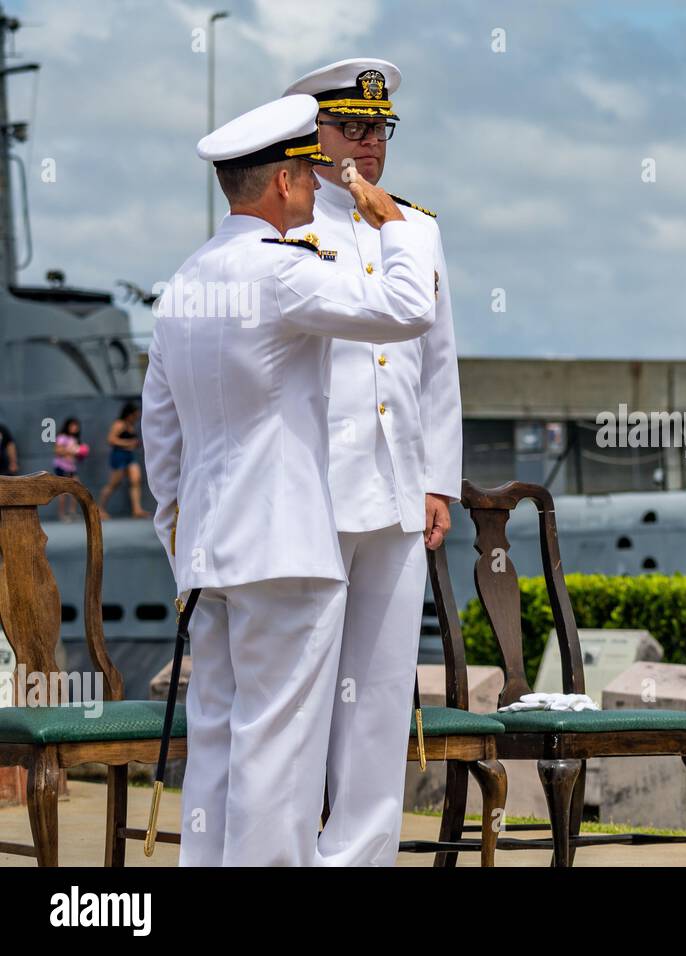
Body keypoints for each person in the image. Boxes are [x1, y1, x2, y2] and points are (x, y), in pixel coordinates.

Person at [141, 94, 438, 867]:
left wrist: (179, 536)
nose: (316, 187)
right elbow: (408, 308)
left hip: (210, 553)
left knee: (217, 739)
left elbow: (160, 434)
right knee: (281, 748)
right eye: (306, 172)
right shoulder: (280, 273)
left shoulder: (185, 282)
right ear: (280, 184)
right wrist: (394, 223)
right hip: (287, 551)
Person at [282, 58, 462, 866]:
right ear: (310, 134)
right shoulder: (283, 223)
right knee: (302, 690)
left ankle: (360, 857)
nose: (368, 142)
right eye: (350, 126)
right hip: (315, 485)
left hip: (394, 486)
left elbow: (440, 362)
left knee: (384, 692)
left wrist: (436, 479)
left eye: (378, 127)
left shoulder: (416, 227)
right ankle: (282, 847)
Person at [97, 403, 149, 518]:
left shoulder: (130, 425)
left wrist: (134, 444)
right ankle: (99, 509)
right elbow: (111, 440)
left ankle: (137, 509)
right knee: (113, 483)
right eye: (135, 415)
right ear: (129, 414)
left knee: (136, 480)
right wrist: (129, 443)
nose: (137, 417)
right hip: (119, 455)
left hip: (129, 456)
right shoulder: (119, 424)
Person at [52, 417, 89, 521]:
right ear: (67, 426)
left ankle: (72, 512)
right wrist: (74, 451)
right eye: (72, 425)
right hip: (61, 467)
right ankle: (61, 514)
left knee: (77, 488)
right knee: (63, 492)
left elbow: (77, 456)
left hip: (71, 468)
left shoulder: (75, 439)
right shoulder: (62, 437)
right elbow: (58, 451)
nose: (75, 428)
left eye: (76, 426)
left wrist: (82, 453)